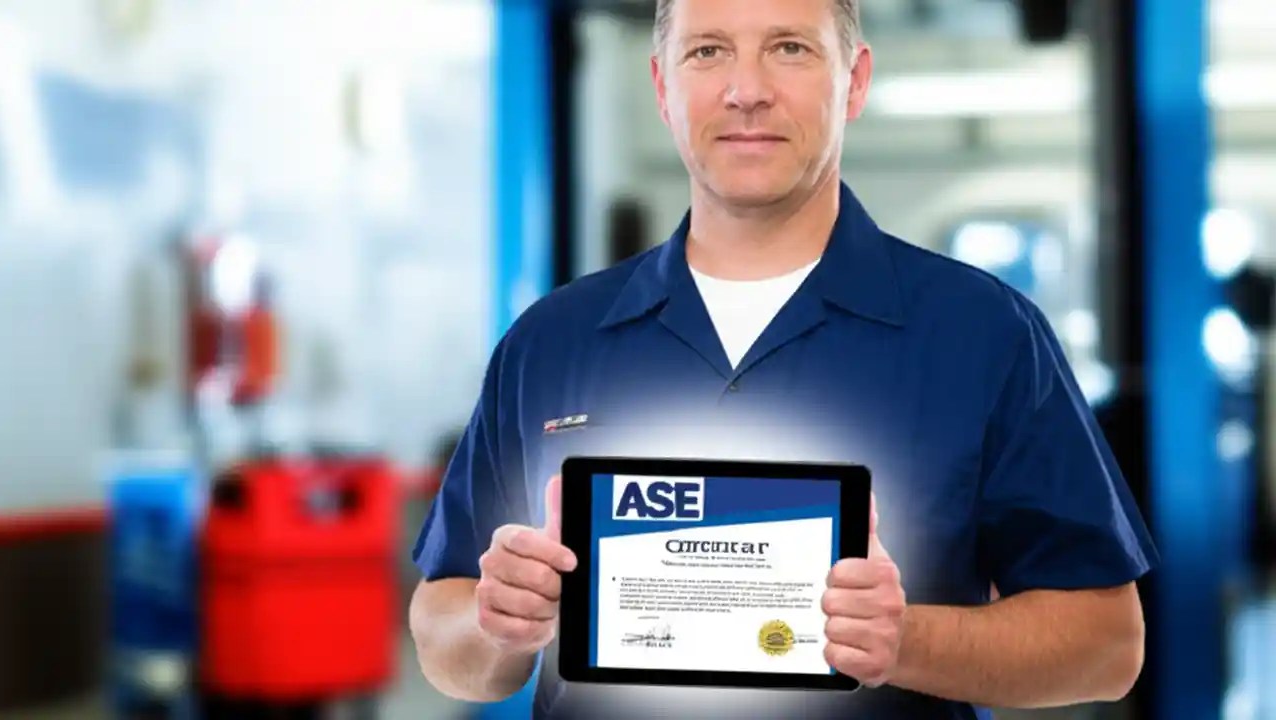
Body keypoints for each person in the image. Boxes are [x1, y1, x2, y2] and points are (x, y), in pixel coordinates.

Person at [409, 0, 1159, 717]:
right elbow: (444, 633)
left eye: (789, 48)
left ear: (855, 79)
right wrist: (493, 622)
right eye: (708, 53)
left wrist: (904, 641)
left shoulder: (985, 334)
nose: (746, 92)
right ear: (663, 86)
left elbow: (1106, 646)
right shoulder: (551, 341)